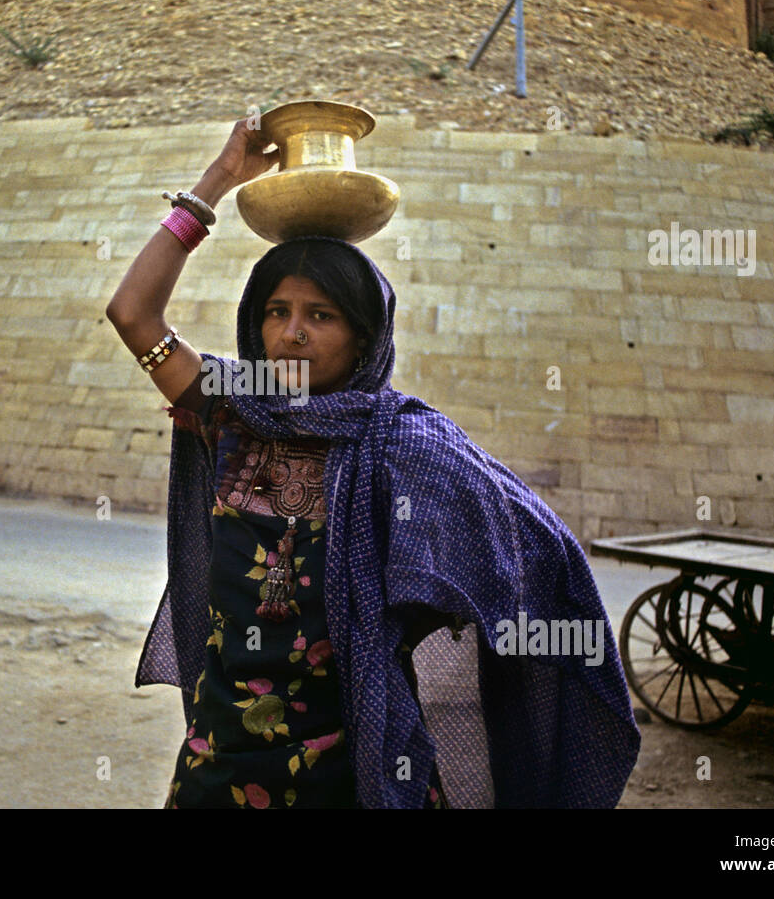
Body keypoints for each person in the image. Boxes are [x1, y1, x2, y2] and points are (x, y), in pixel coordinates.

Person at [106, 119, 640, 808]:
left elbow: (534, 547)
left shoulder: (402, 443)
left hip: (358, 764)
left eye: (320, 314)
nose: (291, 332)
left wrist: (436, 596)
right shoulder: (231, 408)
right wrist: (215, 184)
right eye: (276, 310)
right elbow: (132, 313)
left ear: (363, 338)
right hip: (221, 759)